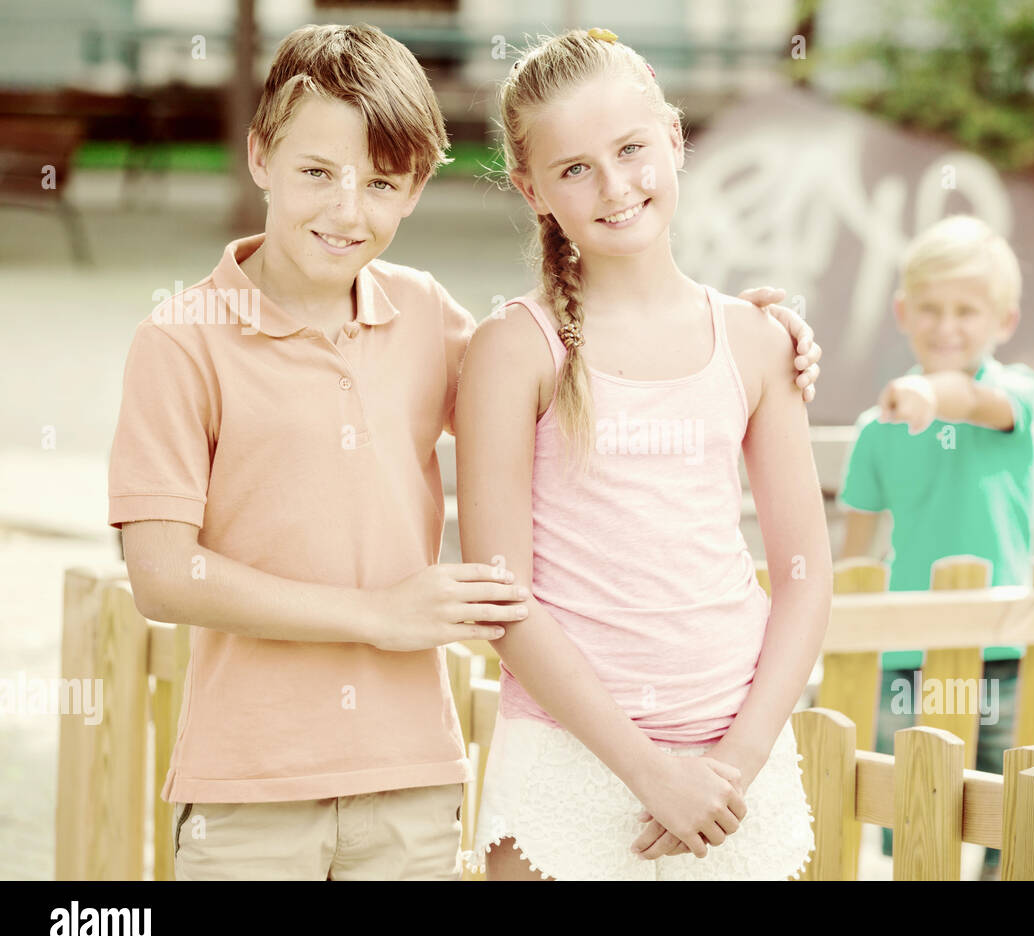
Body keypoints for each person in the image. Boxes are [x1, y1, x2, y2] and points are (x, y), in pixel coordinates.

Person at [107, 23, 821, 881]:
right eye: (315, 172)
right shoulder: (181, 338)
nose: (345, 209)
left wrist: (756, 336)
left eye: (379, 182)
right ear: (260, 156)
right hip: (250, 785)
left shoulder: (426, 319)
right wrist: (380, 614)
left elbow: (605, 375)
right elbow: (158, 574)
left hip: (413, 777)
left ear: (413, 192)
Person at [456, 27, 833, 881]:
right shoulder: (514, 350)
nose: (615, 186)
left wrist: (730, 766)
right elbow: (502, 599)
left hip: (735, 761)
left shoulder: (757, 340)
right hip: (569, 760)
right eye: (575, 168)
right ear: (531, 189)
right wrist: (650, 772)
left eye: (631, 149)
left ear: (674, 137)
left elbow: (807, 575)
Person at [838, 214, 1034, 880]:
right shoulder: (878, 430)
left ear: (1003, 321)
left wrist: (930, 394)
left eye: (967, 310)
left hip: (1004, 650)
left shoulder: (1015, 397)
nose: (947, 325)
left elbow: (971, 401)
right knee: (915, 818)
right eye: (930, 308)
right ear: (903, 311)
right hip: (906, 653)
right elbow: (858, 559)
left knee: (1015, 816)